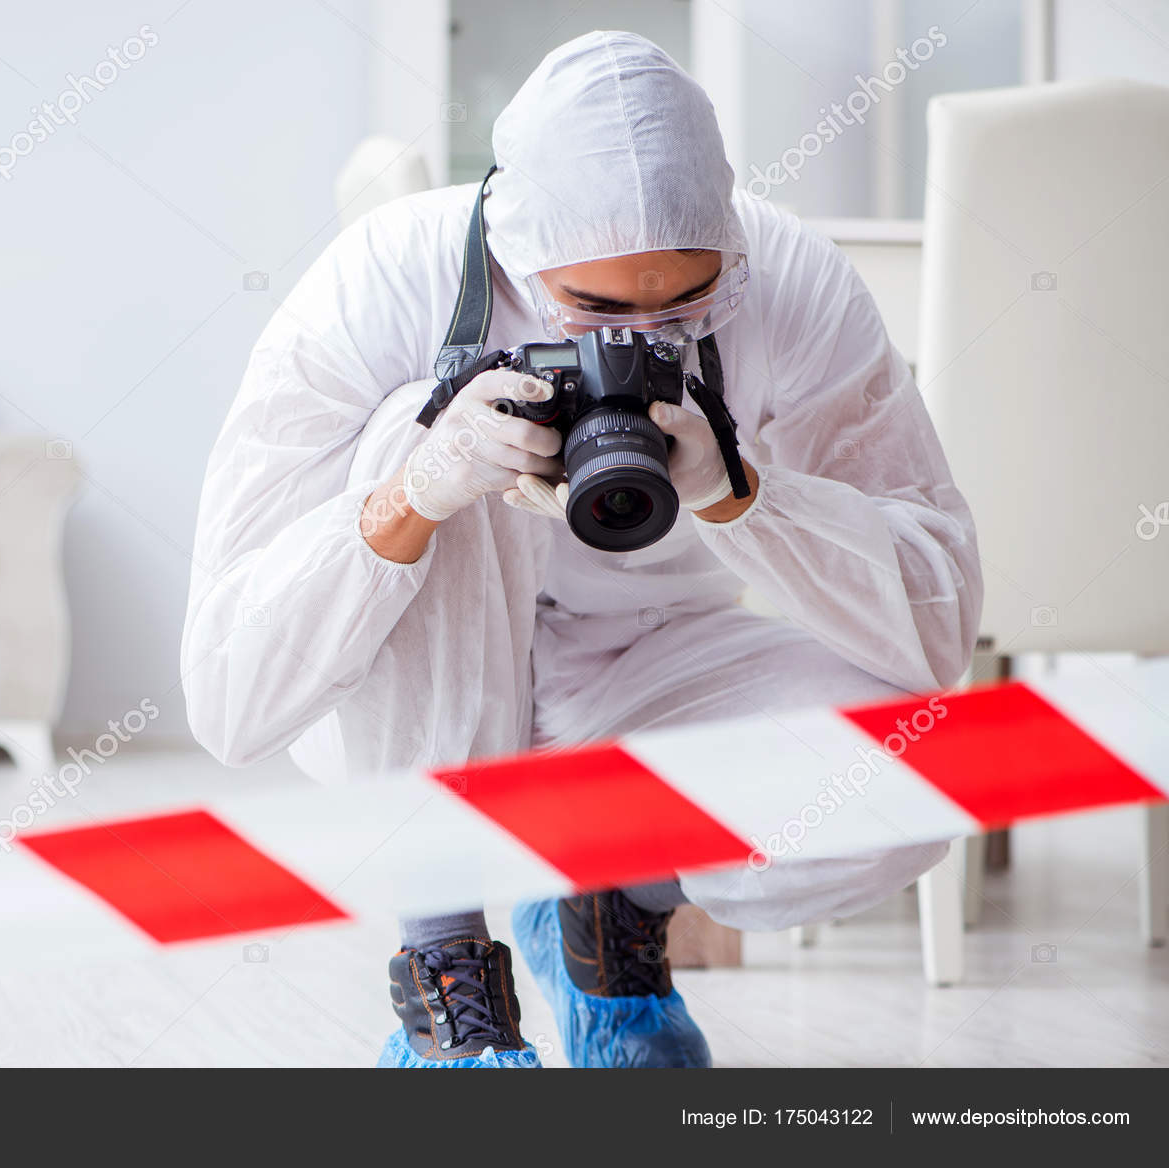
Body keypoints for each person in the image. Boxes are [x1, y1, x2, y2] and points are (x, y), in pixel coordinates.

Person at [181, 31, 981, 1068]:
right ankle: (446, 976)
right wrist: (415, 489)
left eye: (682, 307)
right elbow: (229, 699)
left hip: (653, 671)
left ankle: (611, 900)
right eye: (596, 313)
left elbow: (937, 628)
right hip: (416, 711)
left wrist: (741, 493)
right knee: (407, 422)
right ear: (520, 253)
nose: (640, 342)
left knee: (923, 770)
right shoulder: (379, 279)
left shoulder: (790, 284)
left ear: (729, 252)